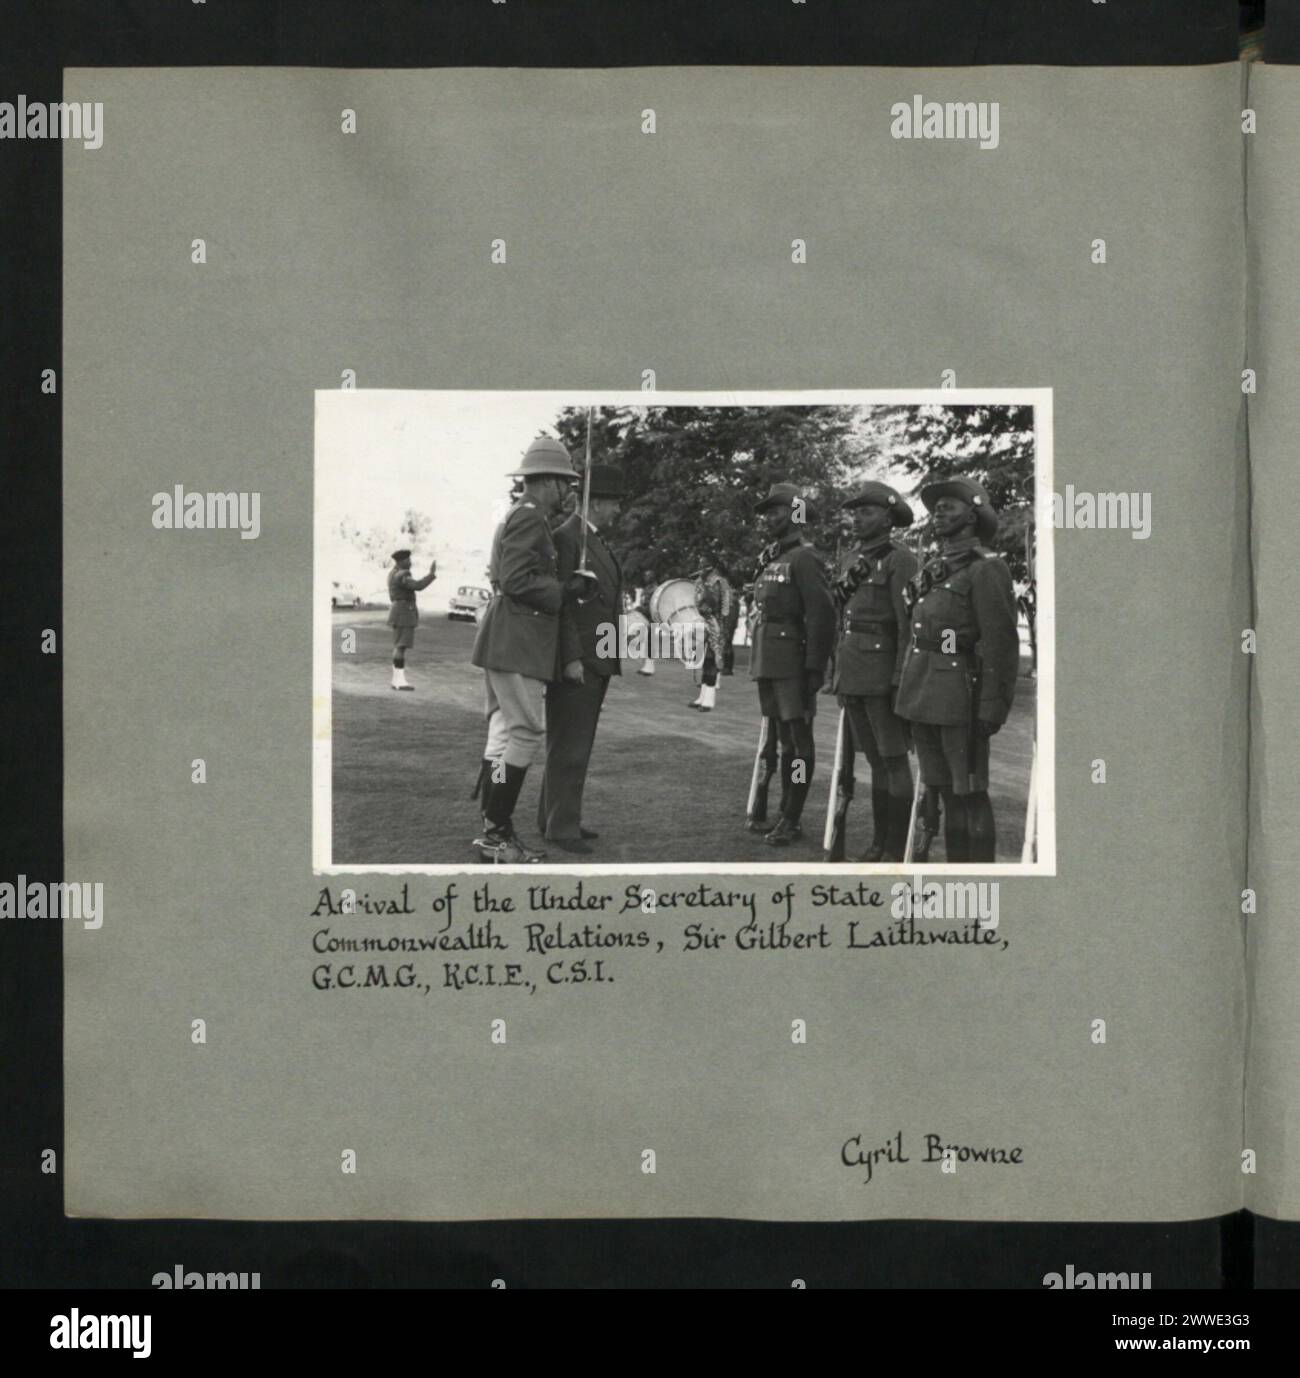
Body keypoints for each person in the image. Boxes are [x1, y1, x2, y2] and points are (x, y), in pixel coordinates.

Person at [470, 437, 594, 863]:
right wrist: (566, 589)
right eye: (565, 484)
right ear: (546, 481)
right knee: (524, 734)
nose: (568, 493)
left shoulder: (518, 517)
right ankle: (497, 835)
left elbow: (499, 574)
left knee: (503, 735)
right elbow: (514, 579)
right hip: (518, 643)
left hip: (506, 640)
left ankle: (492, 831)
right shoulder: (530, 519)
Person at [895, 476, 1020, 863]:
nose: (939, 512)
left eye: (950, 505)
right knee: (944, 790)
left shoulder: (986, 569)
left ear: (973, 513)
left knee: (969, 793)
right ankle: (955, 873)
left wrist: (992, 706)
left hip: (959, 696)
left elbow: (1000, 644)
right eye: (936, 507)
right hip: (923, 691)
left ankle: (978, 878)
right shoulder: (934, 568)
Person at [536, 464, 625, 854]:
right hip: (579, 661)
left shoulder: (593, 541)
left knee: (575, 743)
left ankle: (556, 817)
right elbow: (565, 606)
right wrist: (571, 657)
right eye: (615, 504)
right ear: (599, 503)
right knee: (569, 746)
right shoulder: (568, 538)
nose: (619, 512)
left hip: (596, 658)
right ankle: (561, 828)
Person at [830, 481, 919, 861]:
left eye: (866, 512)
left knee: (893, 760)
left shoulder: (902, 561)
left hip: (883, 677)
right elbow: (842, 620)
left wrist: (900, 679)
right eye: (855, 512)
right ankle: (880, 842)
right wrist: (837, 675)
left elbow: (907, 625)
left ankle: (896, 846)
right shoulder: (850, 559)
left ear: (887, 518)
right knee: (875, 762)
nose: (857, 519)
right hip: (854, 673)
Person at [748, 483, 836, 846]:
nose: (770, 517)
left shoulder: (805, 558)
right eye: (768, 512)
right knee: (782, 741)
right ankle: (784, 807)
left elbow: (822, 614)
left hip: (794, 663)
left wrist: (814, 668)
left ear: (796, 512)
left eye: (777, 510)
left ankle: (792, 815)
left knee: (799, 744)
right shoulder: (774, 557)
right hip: (770, 658)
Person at [687, 560, 736, 713]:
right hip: (703, 624)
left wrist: (724, 631)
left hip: (717, 625)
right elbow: (696, 602)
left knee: (712, 662)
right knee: (704, 662)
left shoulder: (722, 583)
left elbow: (722, 606)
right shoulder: (699, 582)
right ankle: (702, 696)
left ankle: (709, 699)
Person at [386, 549, 437, 690]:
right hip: (404, 612)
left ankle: (396, 680)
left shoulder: (392, 573)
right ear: (402, 561)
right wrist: (431, 574)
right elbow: (418, 586)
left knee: (398, 646)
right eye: (408, 560)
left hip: (398, 610)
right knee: (401, 647)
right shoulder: (403, 574)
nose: (410, 562)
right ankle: (399, 682)